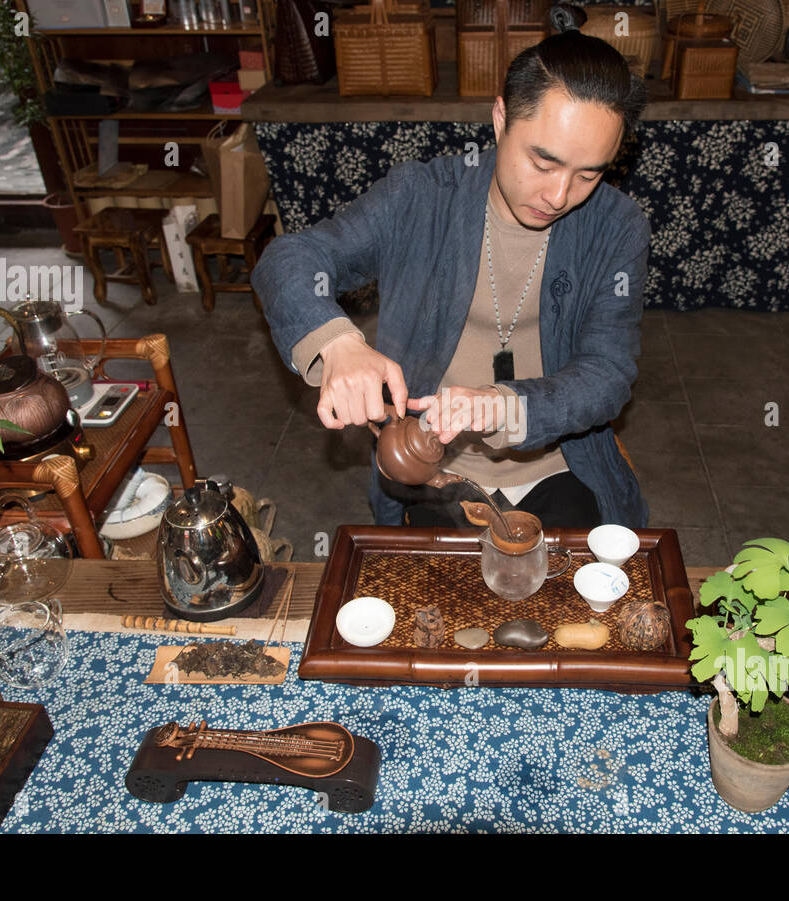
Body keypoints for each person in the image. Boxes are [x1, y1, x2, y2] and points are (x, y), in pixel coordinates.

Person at [251, 29, 651, 529]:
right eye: (542, 162)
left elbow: (607, 373)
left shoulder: (615, 227)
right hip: (437, 469)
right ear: (501, 118)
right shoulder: (421, 198)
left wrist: (503, 405)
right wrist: (337, 344)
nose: (558, 194)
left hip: (560, 462)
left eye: (588, 175)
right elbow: (291, 256)